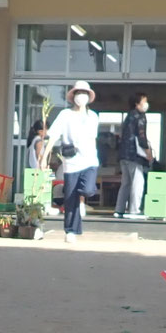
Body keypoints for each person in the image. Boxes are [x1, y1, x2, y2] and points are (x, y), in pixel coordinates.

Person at [47, 80, 101, 240]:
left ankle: (82, 201)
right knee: (70, 199)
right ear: (73, 96)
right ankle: (71, 230)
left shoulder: (93, 116)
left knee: (87, 190)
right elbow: (54, 135)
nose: (81, 96)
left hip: (90, 161)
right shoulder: (65, 114)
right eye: (78, 93)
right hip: (71, 163)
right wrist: (45, 156)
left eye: (84, 93)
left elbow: (93, 139)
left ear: (88, 96)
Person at [116, 91, 153, 219]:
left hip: (123, 154)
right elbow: (141, 137)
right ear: (137, 104)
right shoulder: (140, 117)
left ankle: (119, 209)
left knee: (125, 183)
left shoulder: (128, 116)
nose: (146, 104)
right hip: (134, 155)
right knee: (138, 182)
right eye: (144, 102)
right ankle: (134, 210)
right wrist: (148, 153)